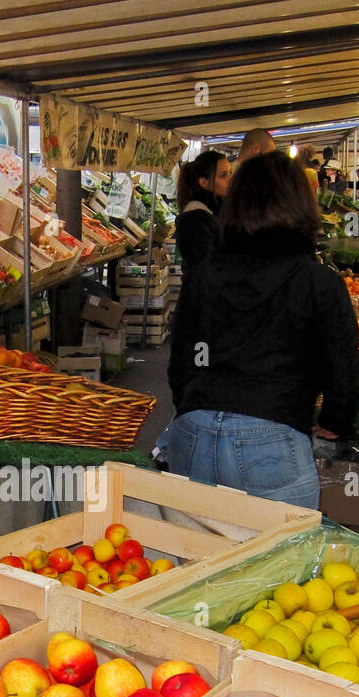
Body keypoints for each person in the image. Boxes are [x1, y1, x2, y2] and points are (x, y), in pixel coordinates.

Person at [168, 152, 359, 509]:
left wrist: (195, 405)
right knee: (280, 561)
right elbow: (343, 366)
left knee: (196, 557)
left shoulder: (207, 273)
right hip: (272, 432)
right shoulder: (318, 281)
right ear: (301, 204)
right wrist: (335, 420)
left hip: (194, 429)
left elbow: (182, 354)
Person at [155, 150, 231, 469]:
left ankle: (168, 449)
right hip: (200, 325)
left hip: (204, 319)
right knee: (197, 379)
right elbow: (205, 274)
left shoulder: (211, 213)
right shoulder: (195, 220)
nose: (230, 181)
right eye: (224, 175)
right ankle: (165, 449)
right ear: (204, 181)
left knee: (198, 382)